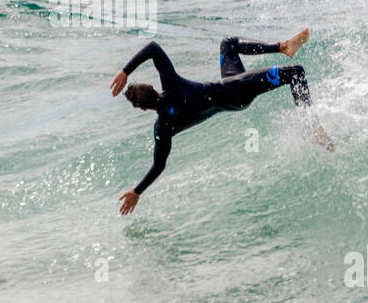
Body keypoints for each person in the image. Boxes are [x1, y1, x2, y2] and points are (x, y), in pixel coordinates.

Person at [110, 30, 334, 215]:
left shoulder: (163, 128)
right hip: (238, 88)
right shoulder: (171, 85)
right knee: (295, 73)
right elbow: (153, 48)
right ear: (151, 86)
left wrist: (137, 191)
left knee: (228, 45)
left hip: (234, 99)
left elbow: (159, 165)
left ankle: (285, 47)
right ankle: (310, 124)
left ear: (143, 109)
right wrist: (125, 71)